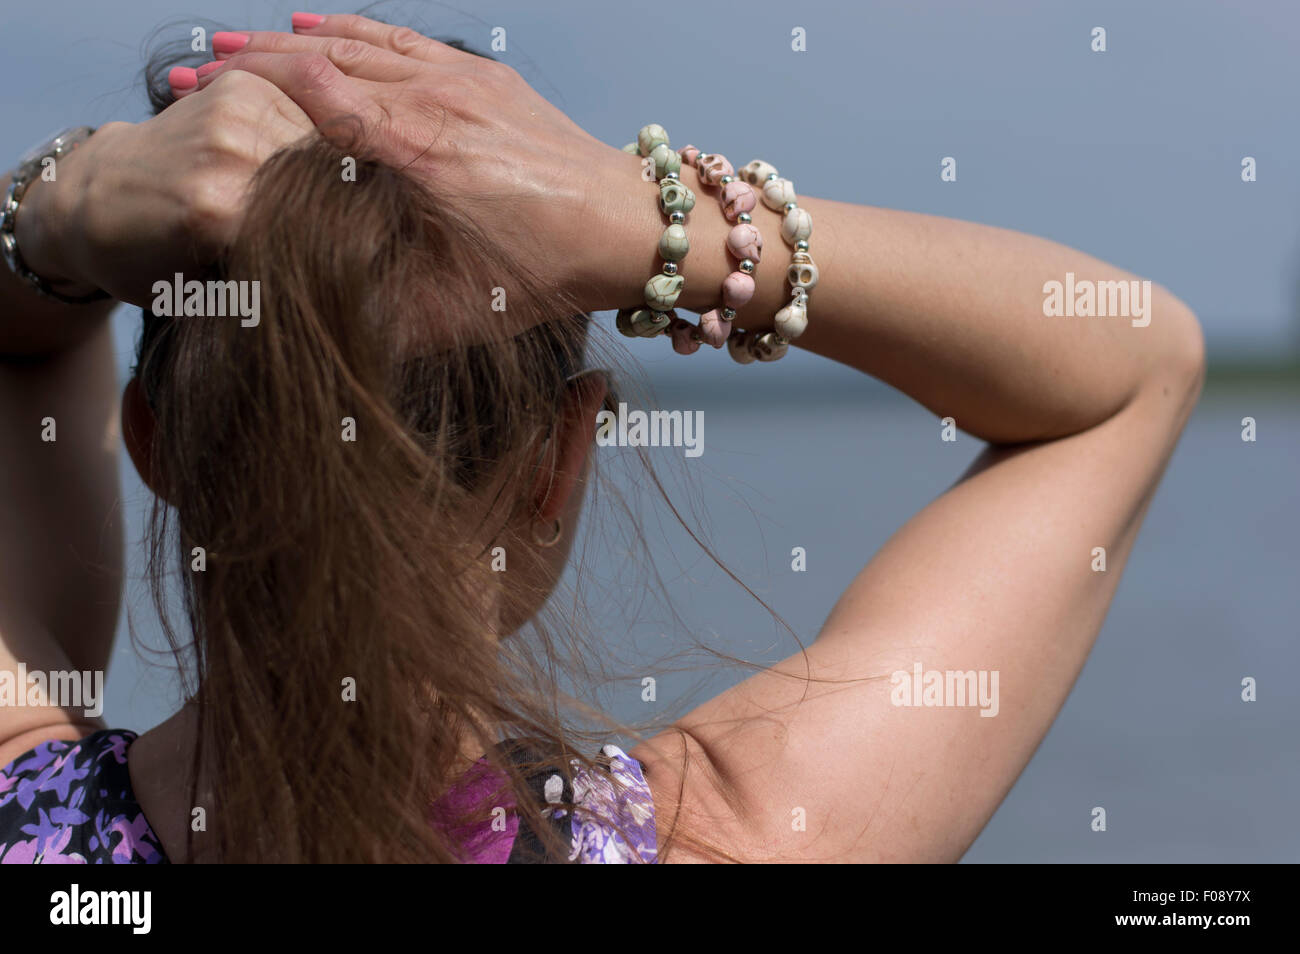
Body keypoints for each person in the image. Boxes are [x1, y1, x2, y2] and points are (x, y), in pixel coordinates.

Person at [0, 13, 1205, 863]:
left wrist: (66, 200)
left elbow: (23, 346)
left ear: (156, 441)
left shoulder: (28, 824)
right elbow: (1133, 369)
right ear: (560, 459)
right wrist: (653, 225)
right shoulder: (727, 841)